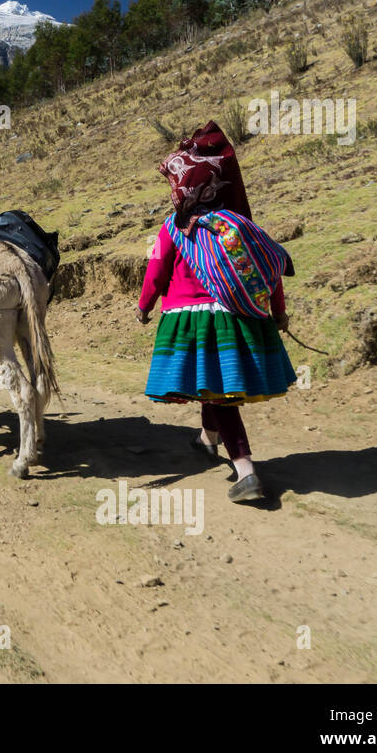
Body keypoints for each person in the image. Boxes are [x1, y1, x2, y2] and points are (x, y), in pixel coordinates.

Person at [136, 121, 296, 503]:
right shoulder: (239, 225)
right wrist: (278, 313)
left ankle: (246, 471)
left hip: (192, 321)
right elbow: (268, 270)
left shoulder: (173, 228)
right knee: (214, 385)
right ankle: (207, 440)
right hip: (240, 318)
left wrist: (144, 307)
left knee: (219, 392)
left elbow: (156, 270)